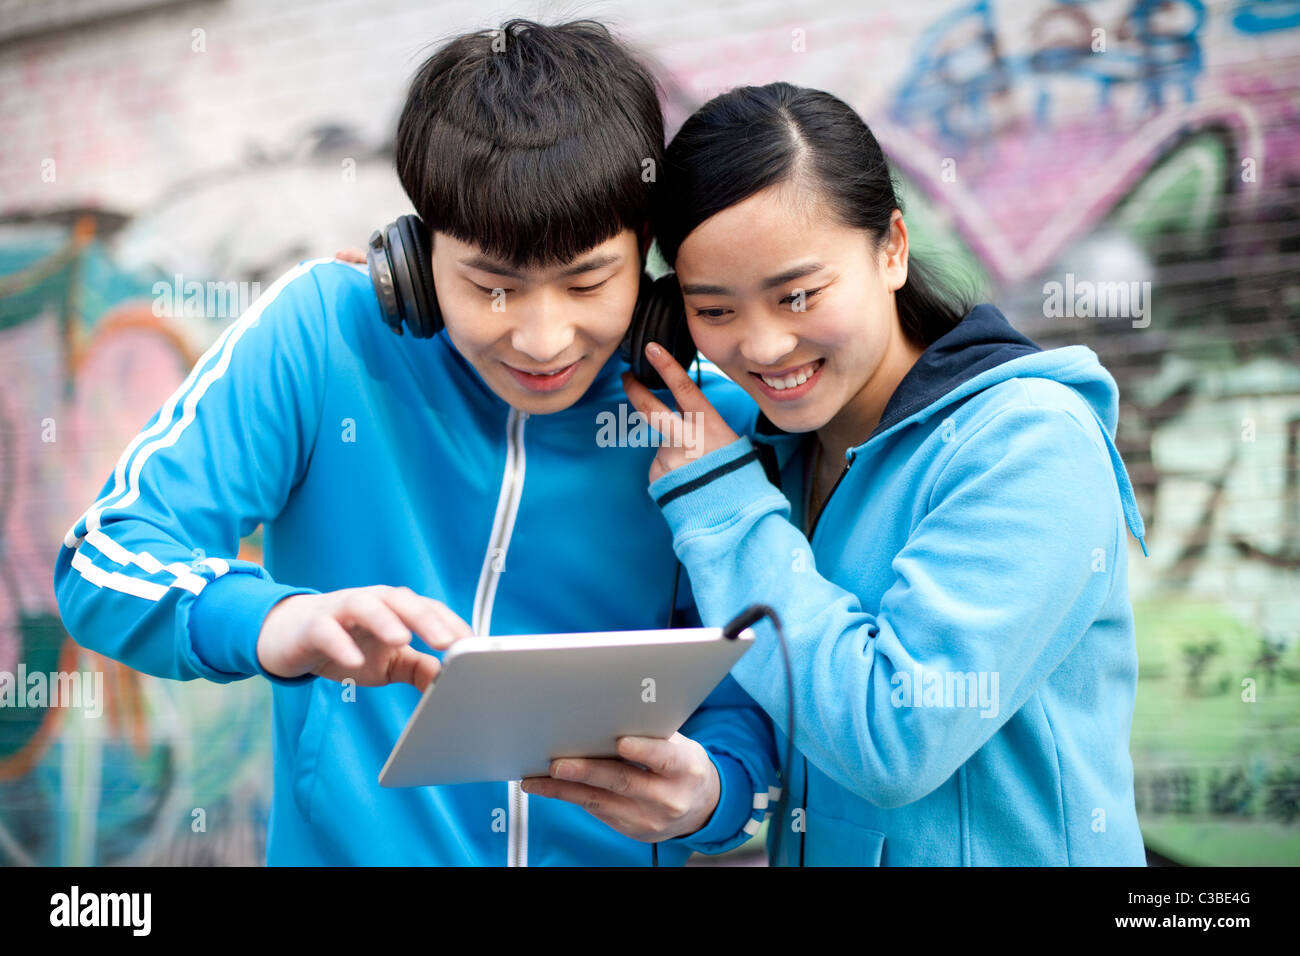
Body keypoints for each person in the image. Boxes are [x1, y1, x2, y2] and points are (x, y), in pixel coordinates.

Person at [52, 19, 778, 866]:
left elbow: (749, 686)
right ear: (413, 258)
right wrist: (272, 620)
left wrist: (713, 794)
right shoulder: (324, 338)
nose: (543, 340)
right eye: (491, 286)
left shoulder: (701, 414)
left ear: (646, 259)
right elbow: (105, 554)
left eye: (587, 282)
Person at [602, 81, 1149, 865]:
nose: (761, 347)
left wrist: (723, 506)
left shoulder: (1027, 444)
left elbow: (896, 739)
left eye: (797, 294)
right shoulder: (775, 454)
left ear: (891, 248)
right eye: (714, 310)